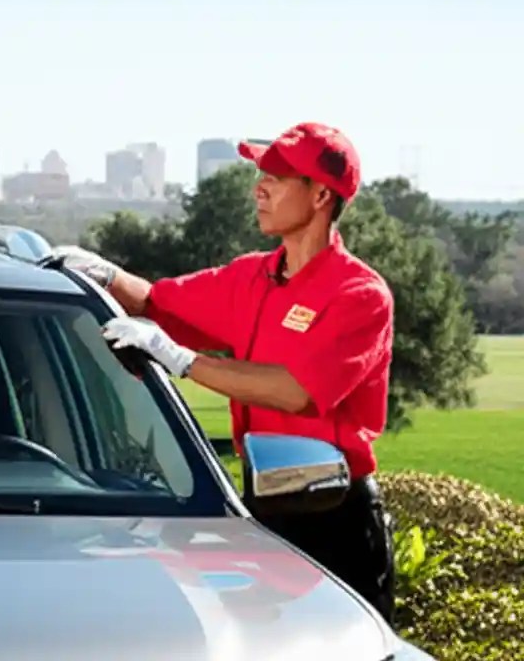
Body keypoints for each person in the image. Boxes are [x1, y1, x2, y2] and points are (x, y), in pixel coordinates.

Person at [57, 121, 396, 623]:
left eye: (278, 177)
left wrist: (184, 361)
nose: (259, 187)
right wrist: (104, 274)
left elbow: (295, 391)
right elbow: (158, 302)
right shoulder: (251, 277)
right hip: (261, 515)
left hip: (334, 522)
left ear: (322, 194)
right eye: (261, 174)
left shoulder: (358, 296)